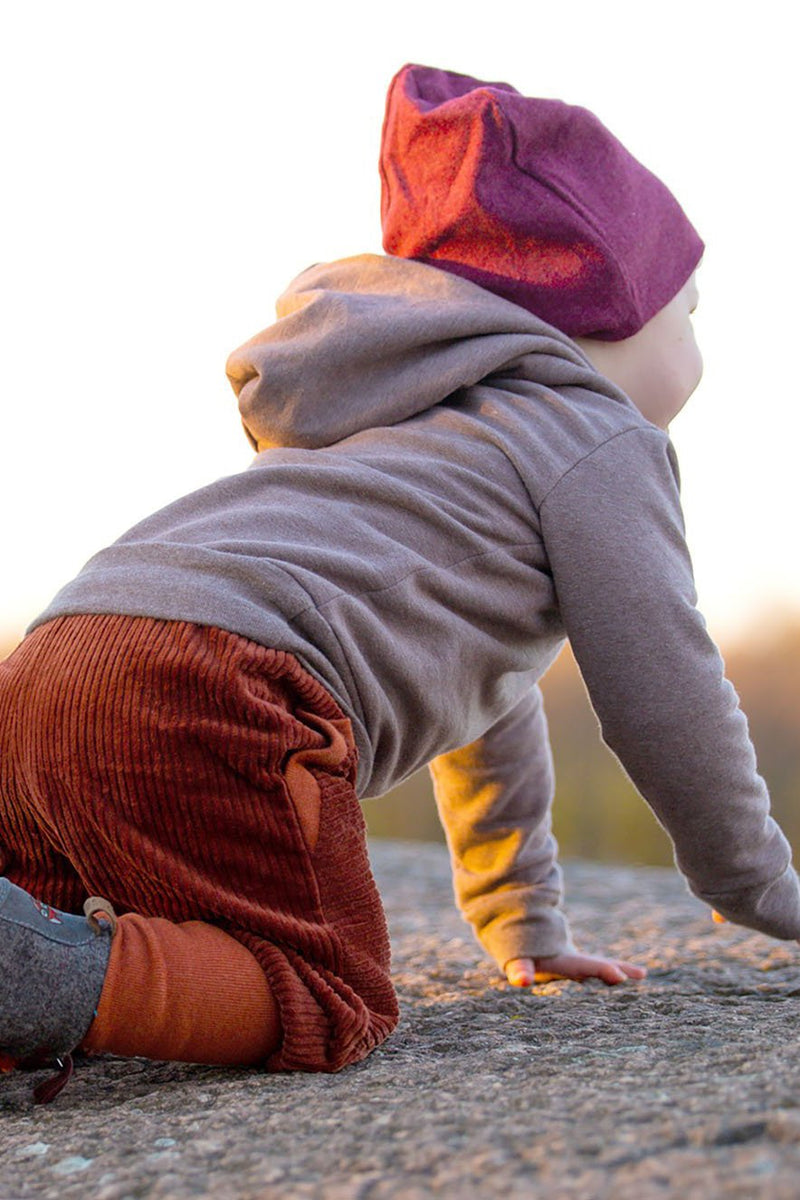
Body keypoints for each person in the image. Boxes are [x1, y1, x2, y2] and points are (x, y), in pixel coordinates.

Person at [2, 63, 798, 1104]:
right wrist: (758, 886)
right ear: (609, 317)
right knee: (326, 995)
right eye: (687, 313)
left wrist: (521, 918)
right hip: (218, 681)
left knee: (58, 958)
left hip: (49, 663)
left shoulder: (400, 436)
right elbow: (667, 691)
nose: (694, 346)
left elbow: (476, 686)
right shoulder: (591, 434)